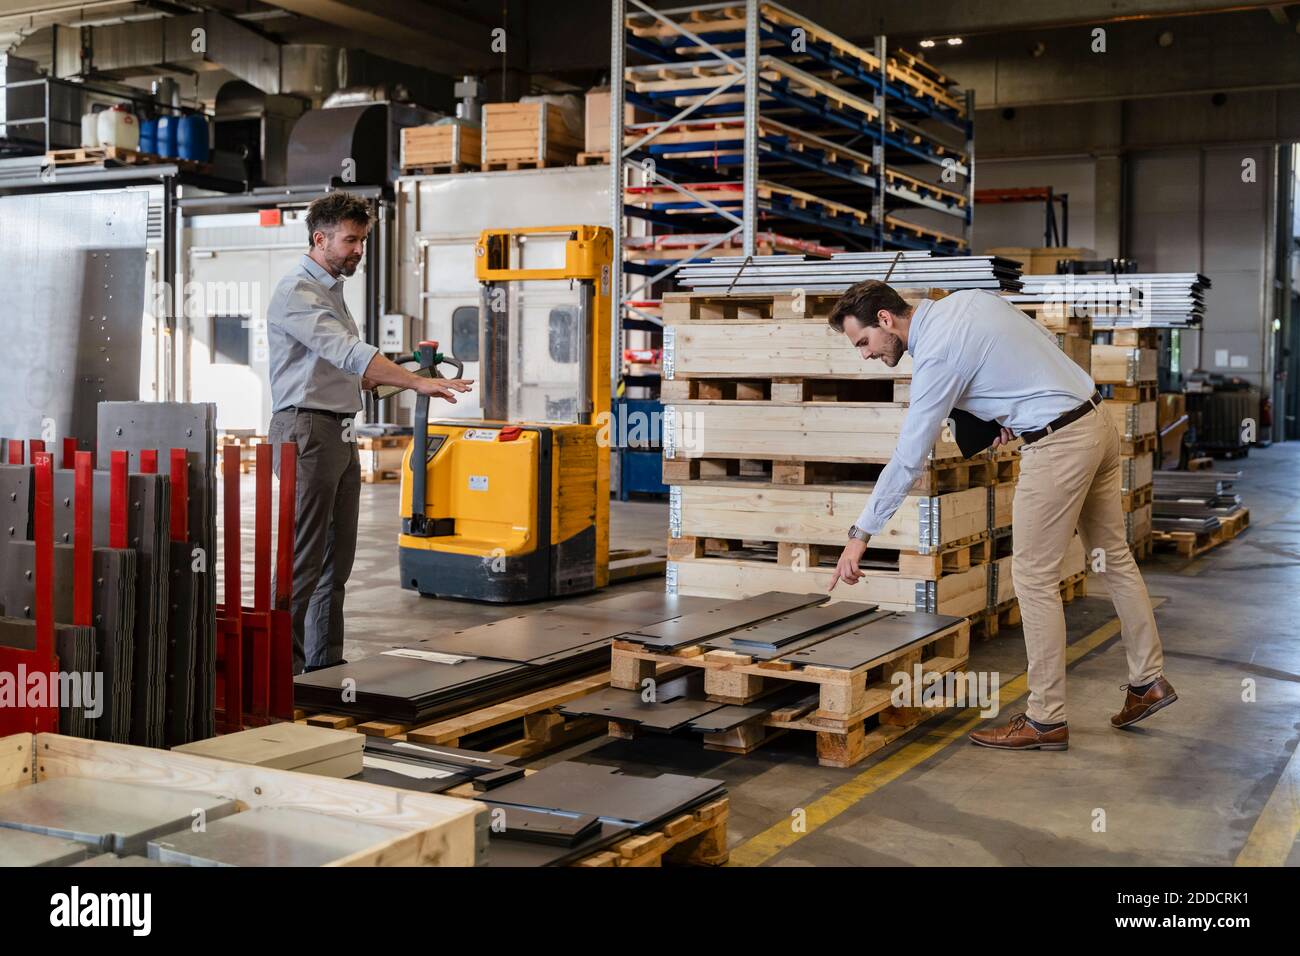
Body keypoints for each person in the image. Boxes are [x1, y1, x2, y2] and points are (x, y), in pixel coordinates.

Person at [825, 280, 1176, 751]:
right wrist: (1009, 406)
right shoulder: (969, 300)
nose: (864, 355)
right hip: (1094, 420)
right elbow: (1023, 351)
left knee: (1032, 577)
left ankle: (1046, 718)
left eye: (863, 342)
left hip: (1057, 445)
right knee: (1113, 557)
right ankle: (1148, 681)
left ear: (885, 320)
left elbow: (909, 458)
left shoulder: (936, 356)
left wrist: (860, 533)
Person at [266, 190, 473, 673]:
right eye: (351, 240)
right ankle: (282, 672)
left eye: (362, 240)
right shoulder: (297, 292)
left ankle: (324, 666)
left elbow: (352, 375)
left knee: (336, 564)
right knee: (305, 558)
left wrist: (409, 382)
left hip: (336, 430)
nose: (359, 249)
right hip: (305, 431)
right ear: (320, 239)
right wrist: (416, 380)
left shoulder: (331, 294)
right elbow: (349, 354)